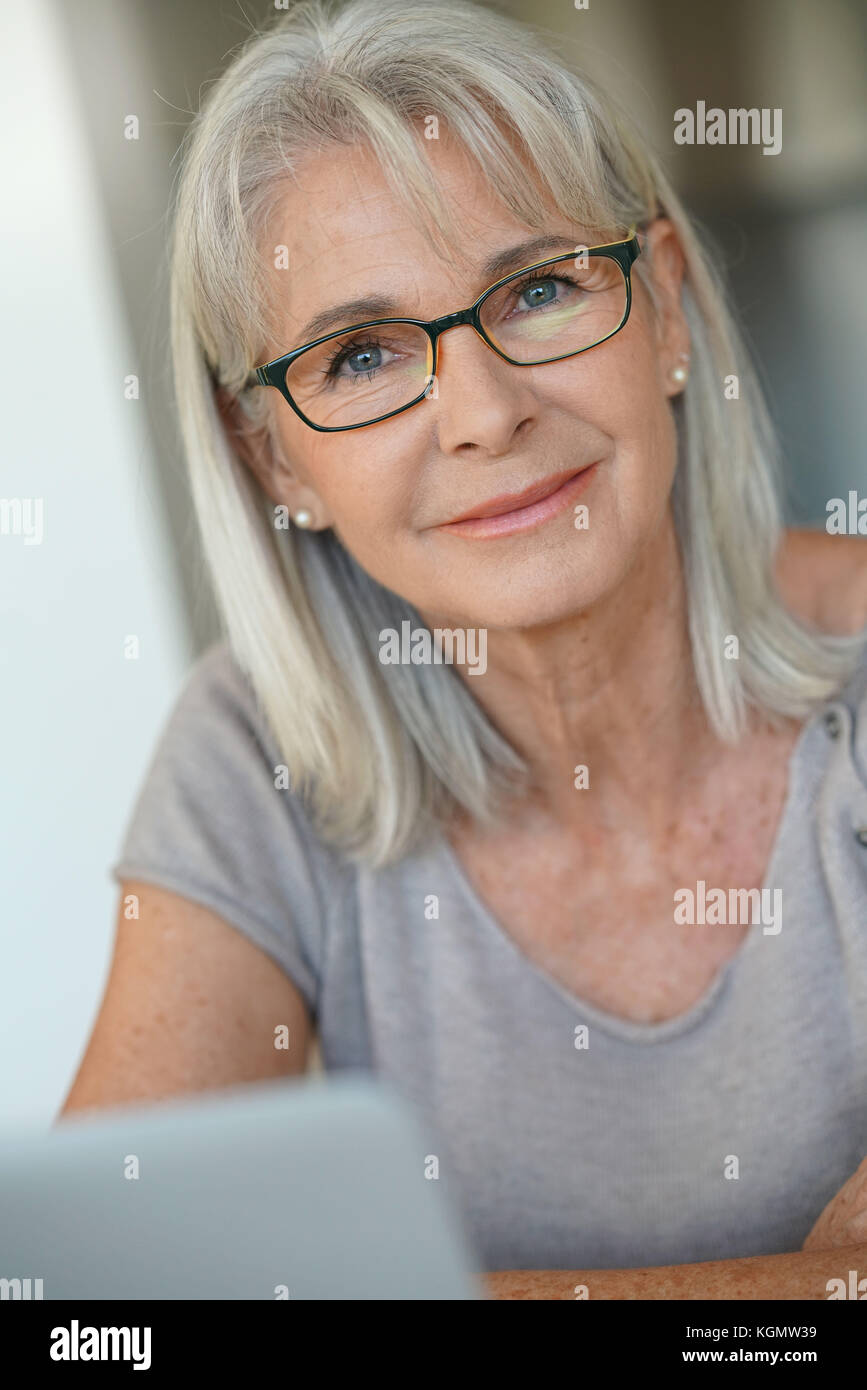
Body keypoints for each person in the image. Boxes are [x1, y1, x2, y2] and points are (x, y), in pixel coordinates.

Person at [60, 0, 867, 1299]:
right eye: (363, 353)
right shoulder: (252, 751)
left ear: (664, 308)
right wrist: (788, 1281)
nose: (484, 413)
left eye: (540, 288)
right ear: (275, 455)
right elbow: (100, 1301)